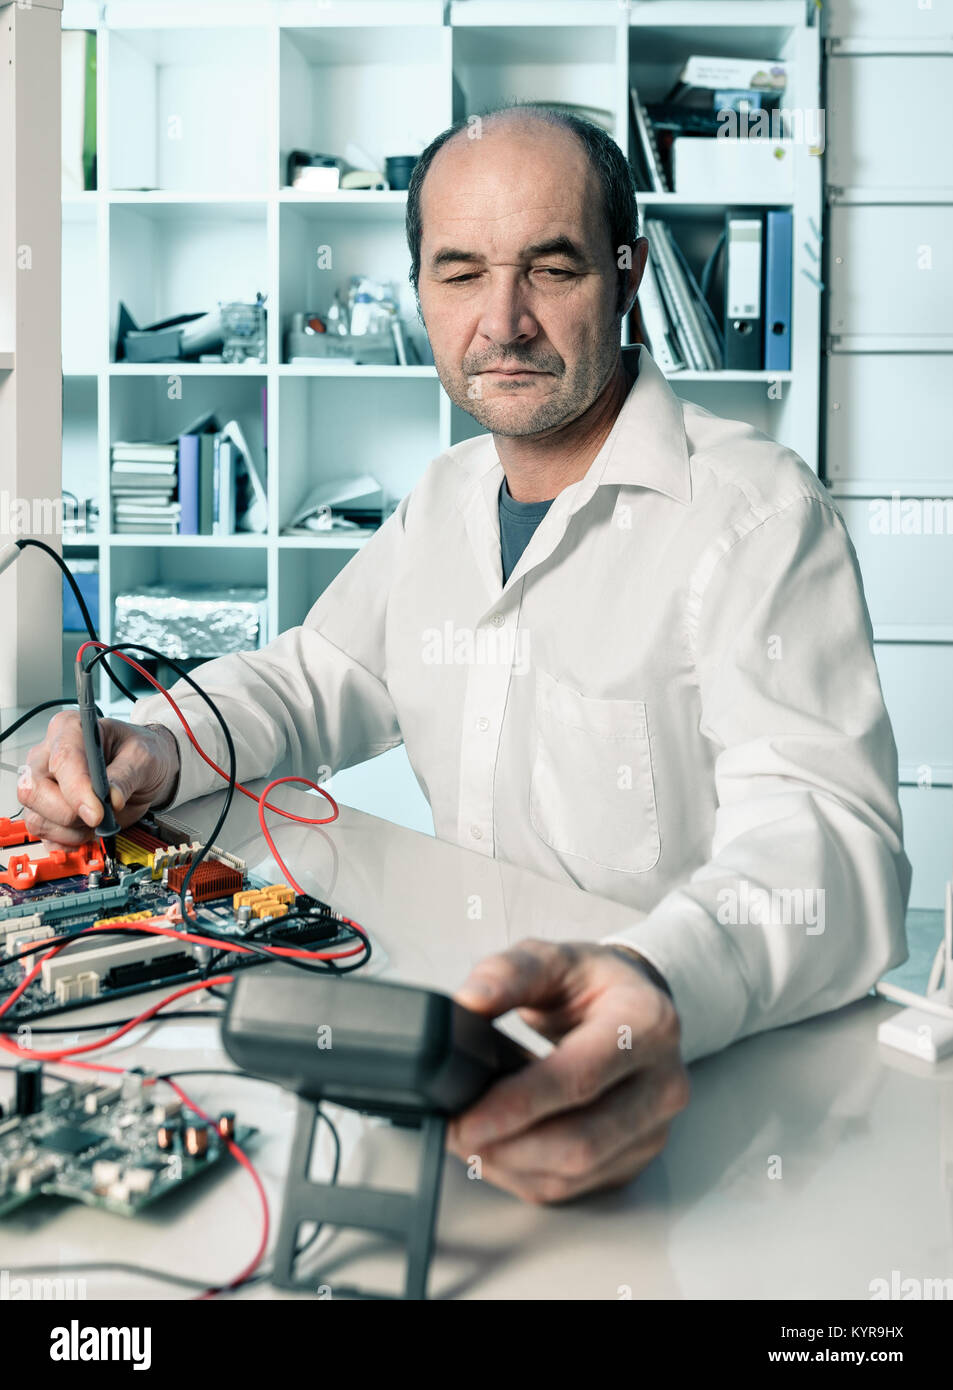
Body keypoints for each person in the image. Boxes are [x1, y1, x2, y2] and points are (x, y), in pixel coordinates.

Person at [18, 106, 910, 1205]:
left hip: (706, 1094)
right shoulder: (442, 500)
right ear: (419, 292)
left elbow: (827, 840)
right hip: (468, 1049)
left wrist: (656, 973)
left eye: (550, 266)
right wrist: (155, 741)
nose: (503, 320)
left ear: (625, 275)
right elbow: (312, 677)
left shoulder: (755, 515)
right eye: (458, 273)